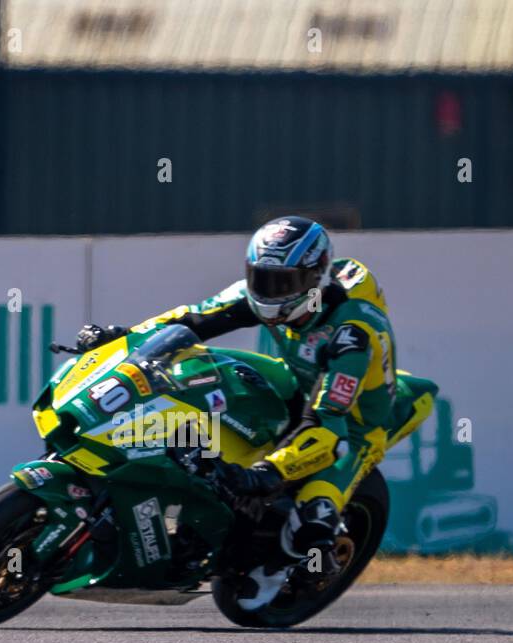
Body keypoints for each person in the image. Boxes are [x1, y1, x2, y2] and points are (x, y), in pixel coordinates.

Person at [75, 216, 436, 610]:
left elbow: (329, 427)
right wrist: (124, 337)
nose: (268, 291)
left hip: (353, 424)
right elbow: (190, 320)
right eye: (261, 278)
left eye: (282, 283)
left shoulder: (352, 335)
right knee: (201, 370)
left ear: (314, 279)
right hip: (295, 384)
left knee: (314, 517)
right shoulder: (259, 295)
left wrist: (267, 474)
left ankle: (307, 561)